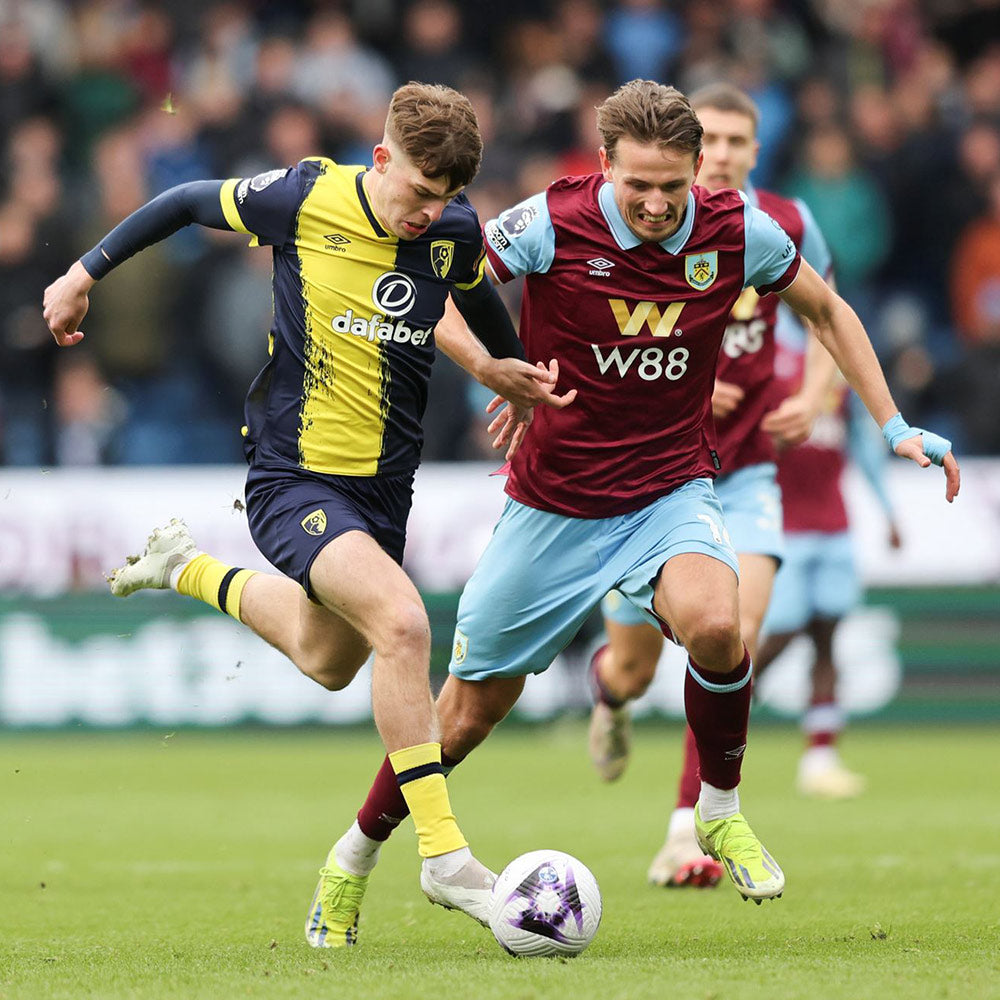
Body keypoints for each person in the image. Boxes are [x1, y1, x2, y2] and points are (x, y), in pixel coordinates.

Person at [297, 79, 960, 940]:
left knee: (720, 629)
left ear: (698, 174)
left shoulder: (738, 233)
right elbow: (435, 288)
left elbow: (828, 312)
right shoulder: (549, 220)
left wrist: (894, 422)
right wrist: (497, 369)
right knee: (461, 718)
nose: (654, 204)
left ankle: (716, 811)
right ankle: (352, 856)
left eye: (673, 187)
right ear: (604, 163)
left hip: (669, 491)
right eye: (636, 184)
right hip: (551, 505)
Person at [42, 82, 574, 950]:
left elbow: (476, 297)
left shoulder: (450, 232)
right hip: (294, 479)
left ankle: (184, 567)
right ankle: (444, 855)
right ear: (381, 160)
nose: (425, 213)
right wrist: (79, 274)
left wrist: (513, 373)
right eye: (415, 191)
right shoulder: (306, 196)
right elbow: (183, 201)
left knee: (329, 660)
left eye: (443, 199)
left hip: (381, 493)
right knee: (402, 624)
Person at [586, 82, 838, 890]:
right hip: (647, 479)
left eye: (737, 140)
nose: (723, 153)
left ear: (753, 150)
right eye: (714, 140)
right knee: (631, 668)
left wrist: (816, 396)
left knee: (730, 638)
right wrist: (684, 385)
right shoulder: (642, 222)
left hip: (747, 473)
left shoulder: (782, 227)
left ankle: (683, 832)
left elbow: (830, 313)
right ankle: (611, 696)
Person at [754, 360, 901, 799]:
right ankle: (723, 705)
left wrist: (888, 510)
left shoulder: (838, 377)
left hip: (835, 526)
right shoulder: (773, 367)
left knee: (826, 640)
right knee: (783, 630)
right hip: (785, 526)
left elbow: (861, 446)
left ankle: (820, 759)